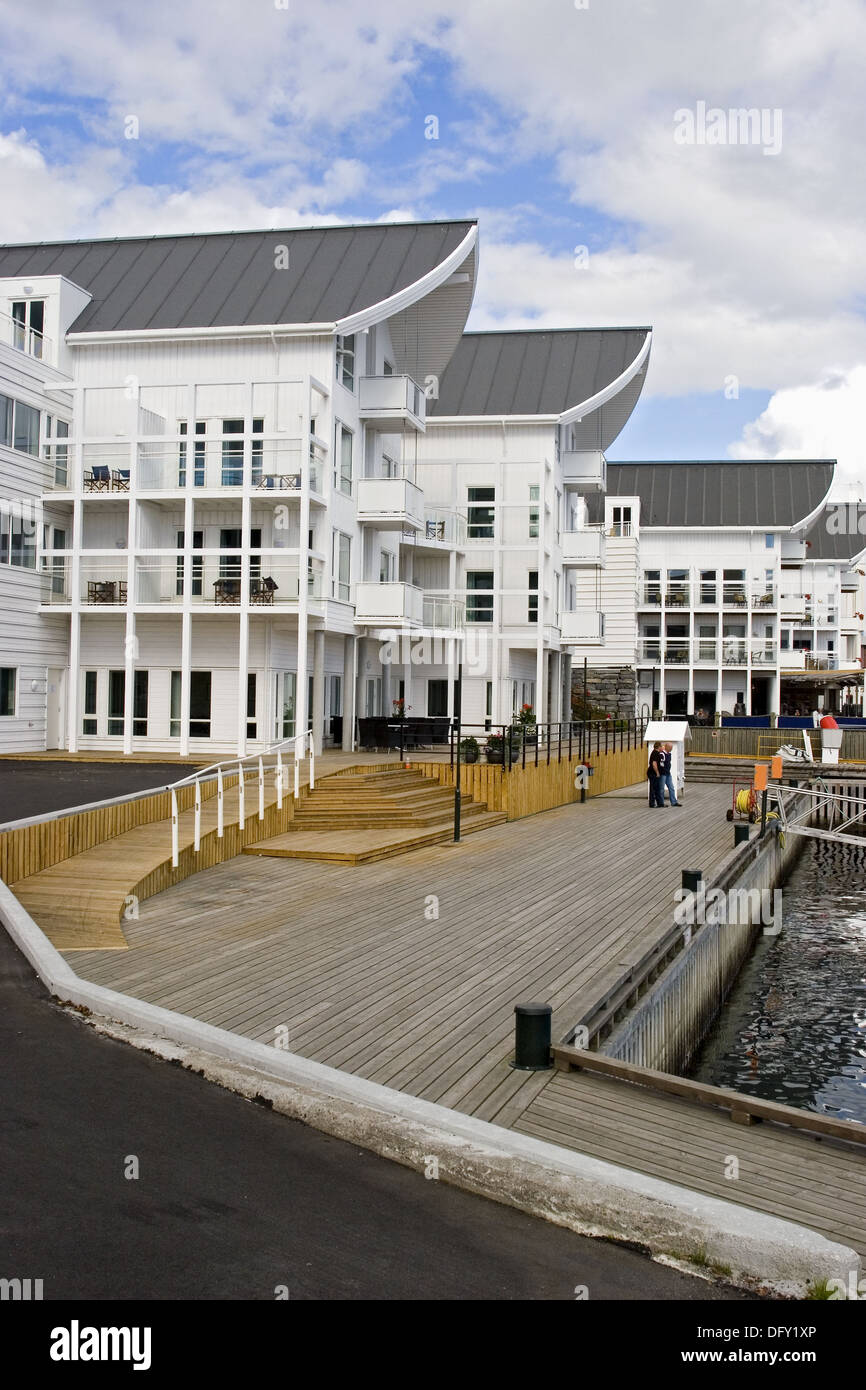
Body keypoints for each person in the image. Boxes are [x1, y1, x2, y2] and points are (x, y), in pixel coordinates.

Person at [660, 742, 682, 806]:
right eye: (670, 748)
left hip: (668, 773)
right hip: (663, 774)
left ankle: (674, 802)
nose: (671, 749)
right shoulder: (662, 754)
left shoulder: (669, 754)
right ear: (667, 747)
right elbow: (661, 764)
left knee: (671, 787)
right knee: (661, 789)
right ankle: (661, 802)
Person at [647, 741, 664, 807]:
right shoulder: (655, 753)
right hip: (652, 773)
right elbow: (654, 764)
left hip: (654, 773)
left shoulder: (657, 753)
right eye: (661, 746)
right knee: (653, 788)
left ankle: (660, 803)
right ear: (658, 747)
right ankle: (652, 803)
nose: (662, 747)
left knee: (657, 788)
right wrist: (657, 773)